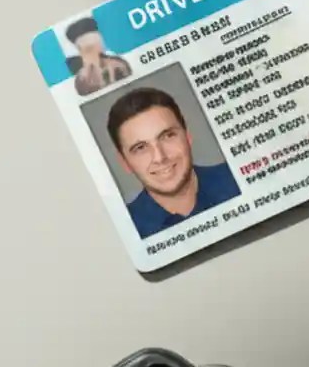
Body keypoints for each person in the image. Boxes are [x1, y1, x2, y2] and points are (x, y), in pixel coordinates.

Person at [106, 87, 240, 239]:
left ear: (187, 137)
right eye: (141, 148)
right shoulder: (126, 231)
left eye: (167, 136)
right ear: (125, 163)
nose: (159, 157)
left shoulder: (237, 176)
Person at [66, 17, 132, 96]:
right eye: (89, 49)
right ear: (80, 50)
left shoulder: (117, 63)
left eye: (98, 45)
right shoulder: (82, 77)